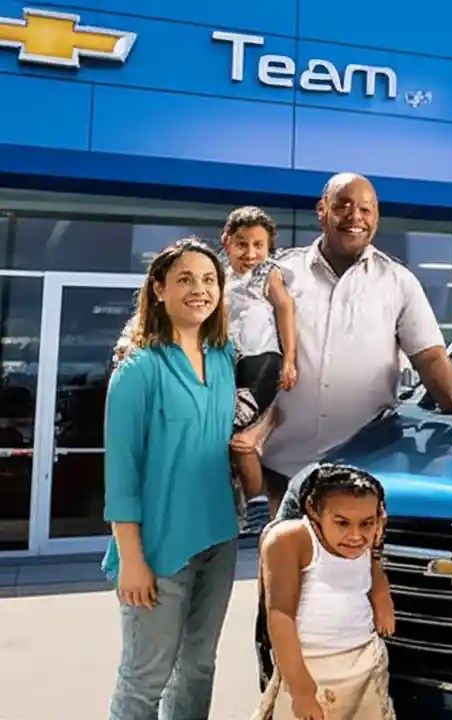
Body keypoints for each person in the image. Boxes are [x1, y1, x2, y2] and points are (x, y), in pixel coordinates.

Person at [242, 171, 452, 688]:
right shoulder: (282, 272)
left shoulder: (397, 281)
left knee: (349, 603)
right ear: (322, 209)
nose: (355, 216)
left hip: (359, 478)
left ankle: (355, 697)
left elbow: (430, 355)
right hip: (285, 472)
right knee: (281, 598)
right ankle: (281, 695)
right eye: (344, 205)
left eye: (366, 208)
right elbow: (233, 329)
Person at [103, 237, 244, 719]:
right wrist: (131, 559)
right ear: (159, 289)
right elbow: (121, 474)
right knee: (145, 678)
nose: (200, 290)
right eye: (185, 279)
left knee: (199, 668)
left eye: (209, 280)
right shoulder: (138, 368)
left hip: (219, 540)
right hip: (159, 549)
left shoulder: (224, 359)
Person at [252, 464, 396, 720]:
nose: (355, 536)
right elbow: (279, 615)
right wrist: (300, 690)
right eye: (342, 523)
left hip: (364, 664)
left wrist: (380, 595)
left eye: (367, 523)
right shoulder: (290, 539)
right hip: (309, 667)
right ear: (312, 509)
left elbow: (370, 563)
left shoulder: (369, 537)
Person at [221, 206, 298, 515]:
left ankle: (256, 502)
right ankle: (242, 494)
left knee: (237, 432)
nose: (250, 253)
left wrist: (290, 359)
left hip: (261, 360)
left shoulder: (269, 272)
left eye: (258, 245)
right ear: (226, 242)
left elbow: (285, 308)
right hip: (228, 362)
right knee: (226, 437)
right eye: (242, 244)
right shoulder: (218, 274)